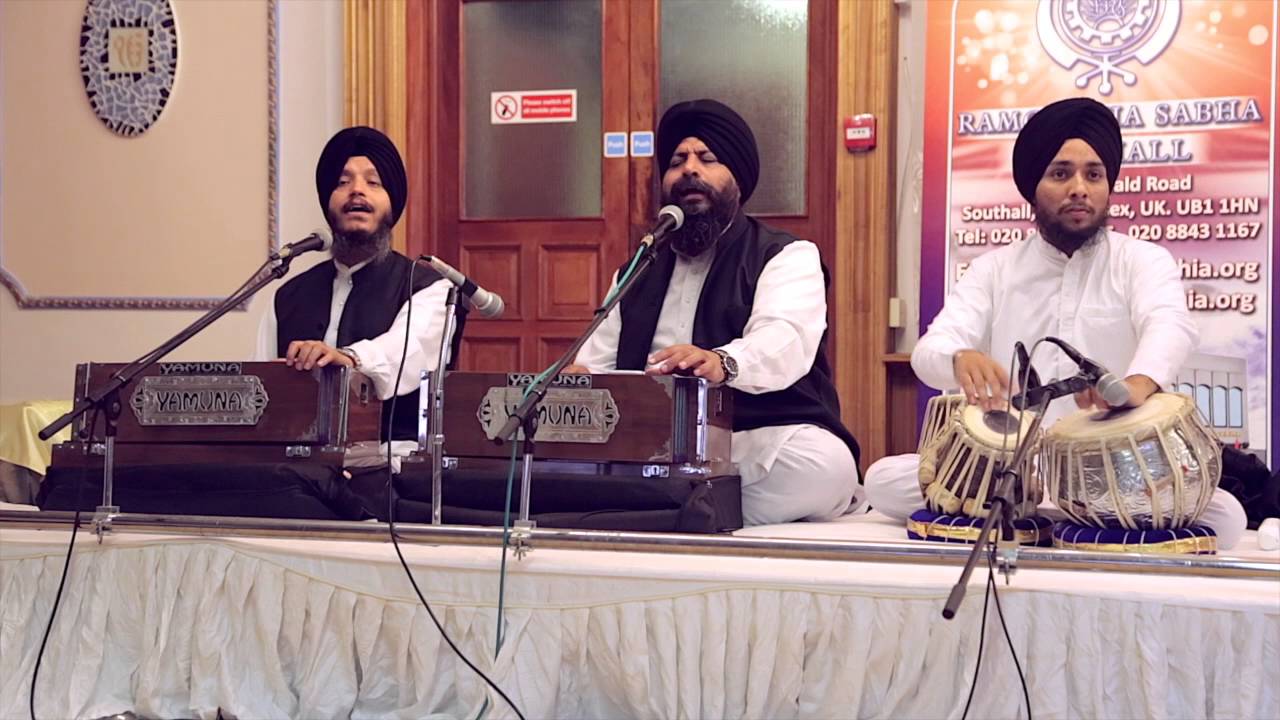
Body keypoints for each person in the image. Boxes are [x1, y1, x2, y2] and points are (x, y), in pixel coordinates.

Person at [863, 97, 1247, 548]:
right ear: (1033, 187)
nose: (1079, 188)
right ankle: (1055, 517)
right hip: (1013, 465)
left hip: (1111, 467)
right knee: (882, 480)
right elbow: (930, 351)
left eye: (1094, 174)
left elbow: (1170, 324)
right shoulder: (994, 269)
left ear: (1109, 184)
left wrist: (1137, 384)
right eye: (1061, 174)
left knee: (1227, 517)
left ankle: (1042, 519)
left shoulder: (1141, 261)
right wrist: (960, 357)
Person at [567, 99, 862, 526]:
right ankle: (683, 509)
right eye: (676, 160)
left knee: (824, 467)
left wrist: (722, 361)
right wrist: (578, 379)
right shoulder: (639, 268)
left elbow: (785, 339)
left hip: (750, 438)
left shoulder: (785, 255)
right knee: (560, 460)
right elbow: (597, 363)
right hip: (652, 445)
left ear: (736, 180)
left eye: (707, 159)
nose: (689, 169)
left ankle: (651, 510)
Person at [256, 126, 458, 460]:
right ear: (328, 202)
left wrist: (349, 359)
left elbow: (406, 352)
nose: (357, 192)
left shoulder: (430, 288)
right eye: (342, 181)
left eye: (373, 182)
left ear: (392, 202)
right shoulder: (287, 296)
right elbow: (265, 390)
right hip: (299, 477)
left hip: (390, 479)